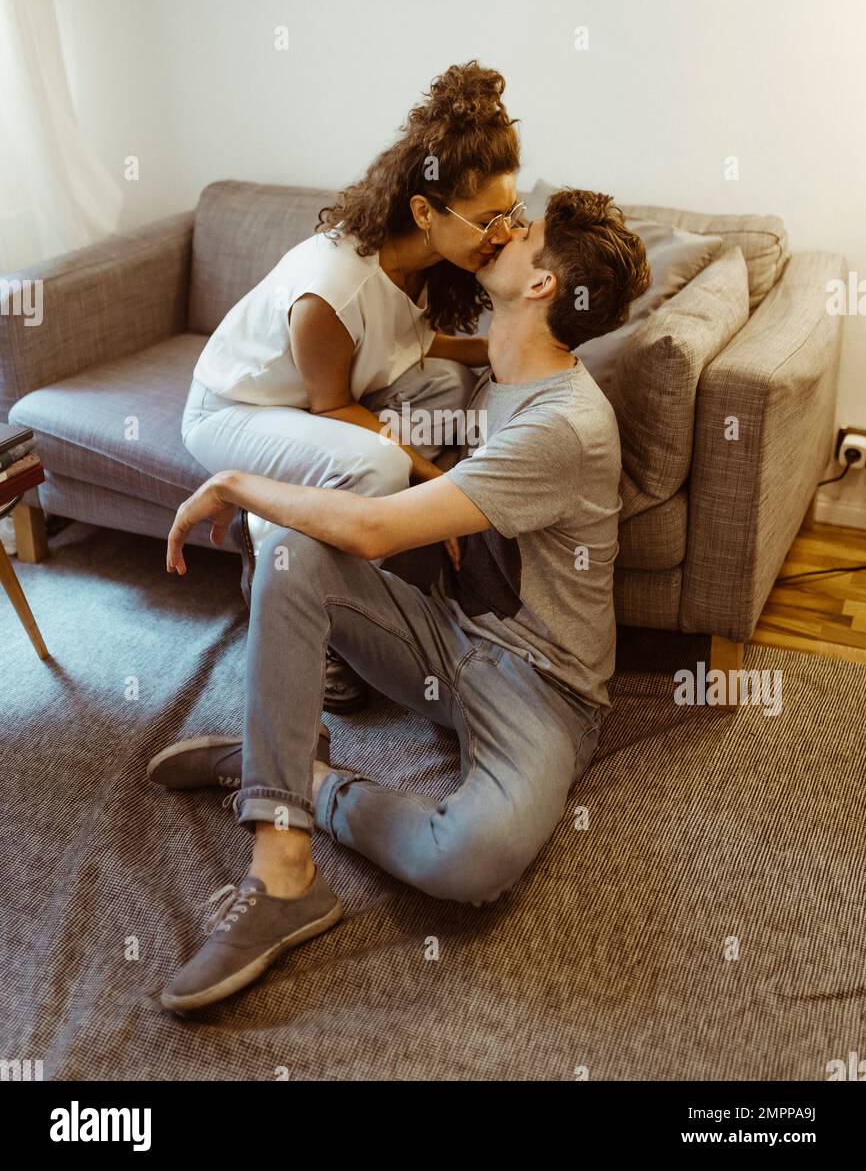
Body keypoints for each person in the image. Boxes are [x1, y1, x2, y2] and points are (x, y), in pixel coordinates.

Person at [152, 187, 651, 1012]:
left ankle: (284, 775)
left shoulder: (564, 423)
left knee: (471, 864)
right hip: (448, 641)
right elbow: (379, 324)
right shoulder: (497, 371)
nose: (504, 230)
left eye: (522, 234)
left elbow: (377, 532)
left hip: (548, 689)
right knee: (292, 558)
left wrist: (239, 481)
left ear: (542, 287)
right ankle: (283, 879)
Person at [181, 61, 525, 705]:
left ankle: (290, 523)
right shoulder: (331, 288)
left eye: (510, 213)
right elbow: (333, 405)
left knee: (449, 383)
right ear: (424, 210)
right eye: (487, 220)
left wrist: (509, 352)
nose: (502, 234)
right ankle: (308, 607)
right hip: (235, 411)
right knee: (377, 469)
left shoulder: (422, 265)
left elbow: (412, 342)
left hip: (317, 404)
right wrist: (440, 485)